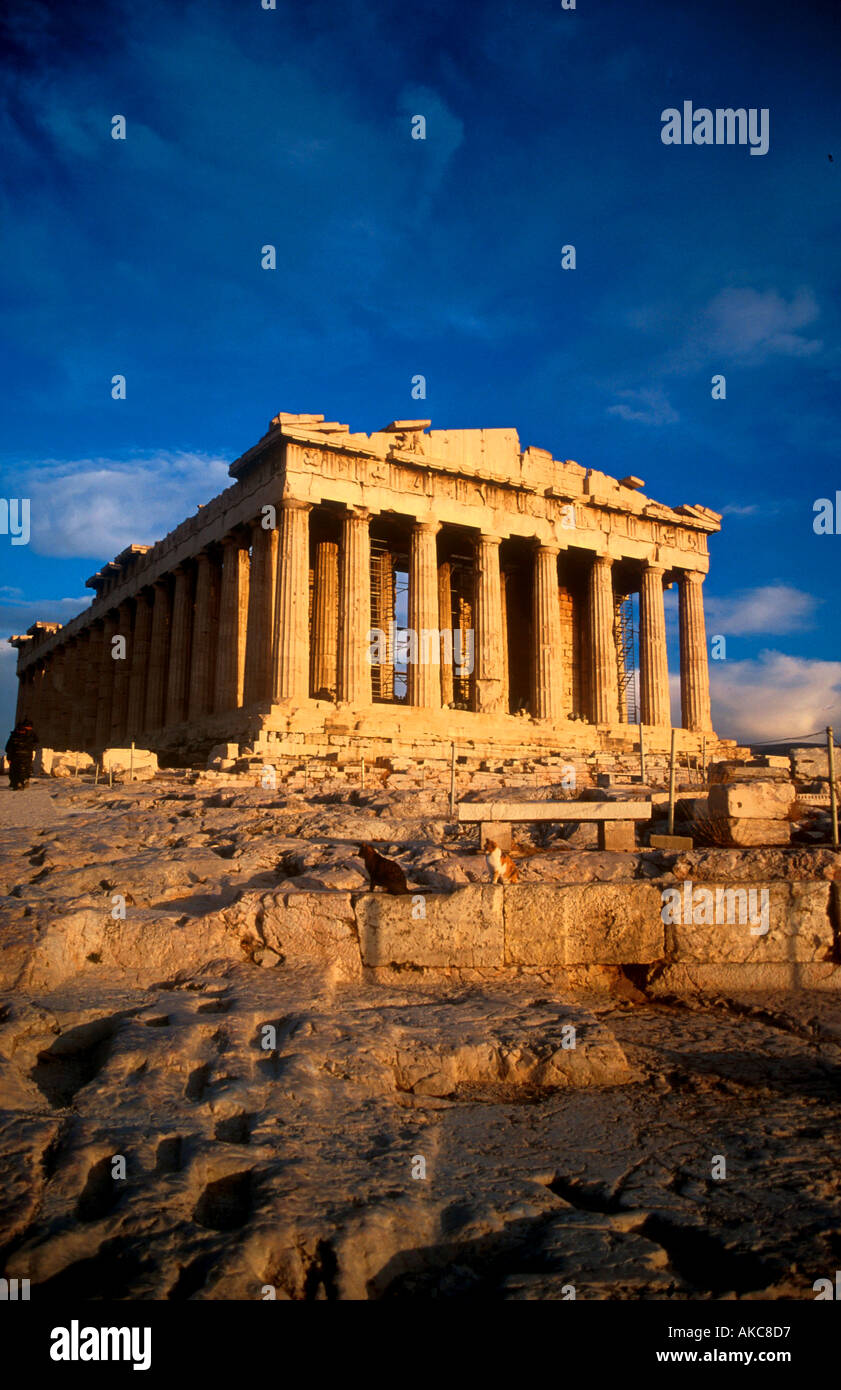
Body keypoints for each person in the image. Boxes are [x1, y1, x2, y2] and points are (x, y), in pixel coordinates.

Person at [5, 718, 38, 790]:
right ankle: (17, 783)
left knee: (22, 770)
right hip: (19, 756)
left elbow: (8, 748)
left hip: (25, 756)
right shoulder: (16, 737)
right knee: (17, 770)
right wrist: (9, 757)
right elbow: (9, 748)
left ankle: (20, 782)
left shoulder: (29, 735)